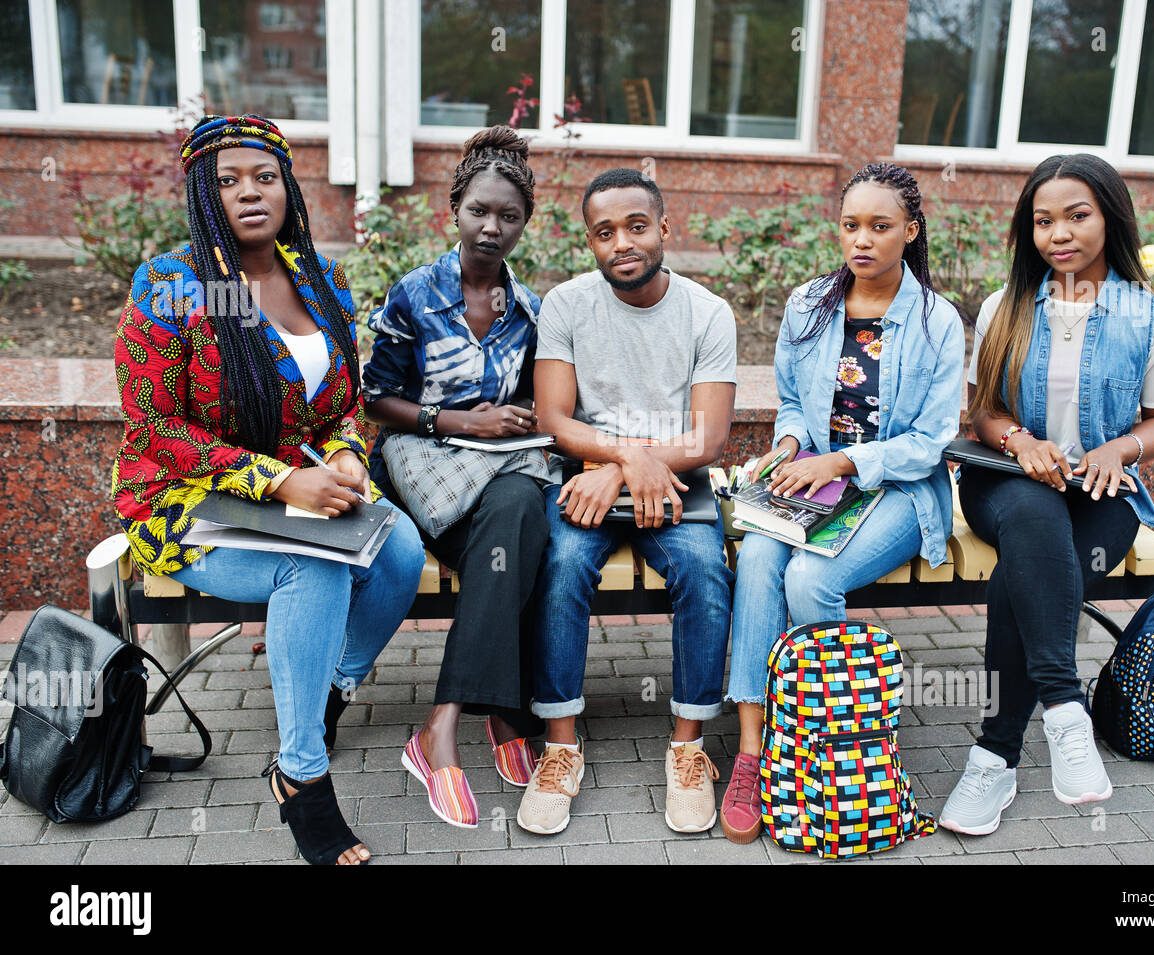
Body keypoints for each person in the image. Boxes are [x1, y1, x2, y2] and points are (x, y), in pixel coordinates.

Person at [112, 115, 426, 865]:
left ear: (288, 185)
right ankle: (301, 775)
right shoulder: (175, 285)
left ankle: (327, 693)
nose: (249, 192)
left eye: (264, 175)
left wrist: (348, 455)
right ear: (201, 193)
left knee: (402, 548)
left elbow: (348, 402)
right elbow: (153, 423)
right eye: (227, 180)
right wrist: (280, 478)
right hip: (184, 499)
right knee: (311, 564)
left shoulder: (324, 280)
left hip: (305, 481)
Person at [939, 153, 1154, 836]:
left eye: (1077, 215)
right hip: (1006, 483)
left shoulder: (1149, 320)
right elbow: (982, 413)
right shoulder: (1005, 307)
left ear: (1110, 216)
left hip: (1099, 492)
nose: (1060, 233)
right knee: (1030, 514)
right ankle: (1063, 707)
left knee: (1021, 580)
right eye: (1043, 220)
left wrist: (1120, 448)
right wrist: (1020, 441)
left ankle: (993, 760)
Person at [719, 162, 965, 844]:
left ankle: (826, 741)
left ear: (910, 231)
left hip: (900, 490)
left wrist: (846, 459)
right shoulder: (809, 304)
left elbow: (931, 440)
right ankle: (753, 748)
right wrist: (790, 443)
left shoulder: (936, 321)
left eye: (880, 227)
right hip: (814, 481)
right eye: (851, 224)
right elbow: (794, 402)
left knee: (812, 577)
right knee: (762, 556)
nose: (862, 239)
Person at [516, 168, 737, 836]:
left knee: (705, 572)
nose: (621, 243)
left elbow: (708, 436)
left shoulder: (708, 311)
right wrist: (624, 460)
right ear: (591, 241)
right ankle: (560, 747)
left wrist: (627, 465)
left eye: (636, 226)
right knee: (560, 569)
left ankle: (689, 747)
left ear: (664, 228)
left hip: (677, 485)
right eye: (604, 232)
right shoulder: (566, 304)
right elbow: (553, 419)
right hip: (588, 480)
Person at [363, 126, 549, 829]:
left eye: (508, 216)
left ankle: (441, 727)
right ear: (455, 208)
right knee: (518, 527)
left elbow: (537, 403)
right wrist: (461, 421)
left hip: (497, 470)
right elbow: (374, 398)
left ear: (524, 223)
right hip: (423, 458)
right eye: (480, 211)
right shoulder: (413, 294)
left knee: (517, 519)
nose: (492, 227)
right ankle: (503, 716)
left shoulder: (527, 310)